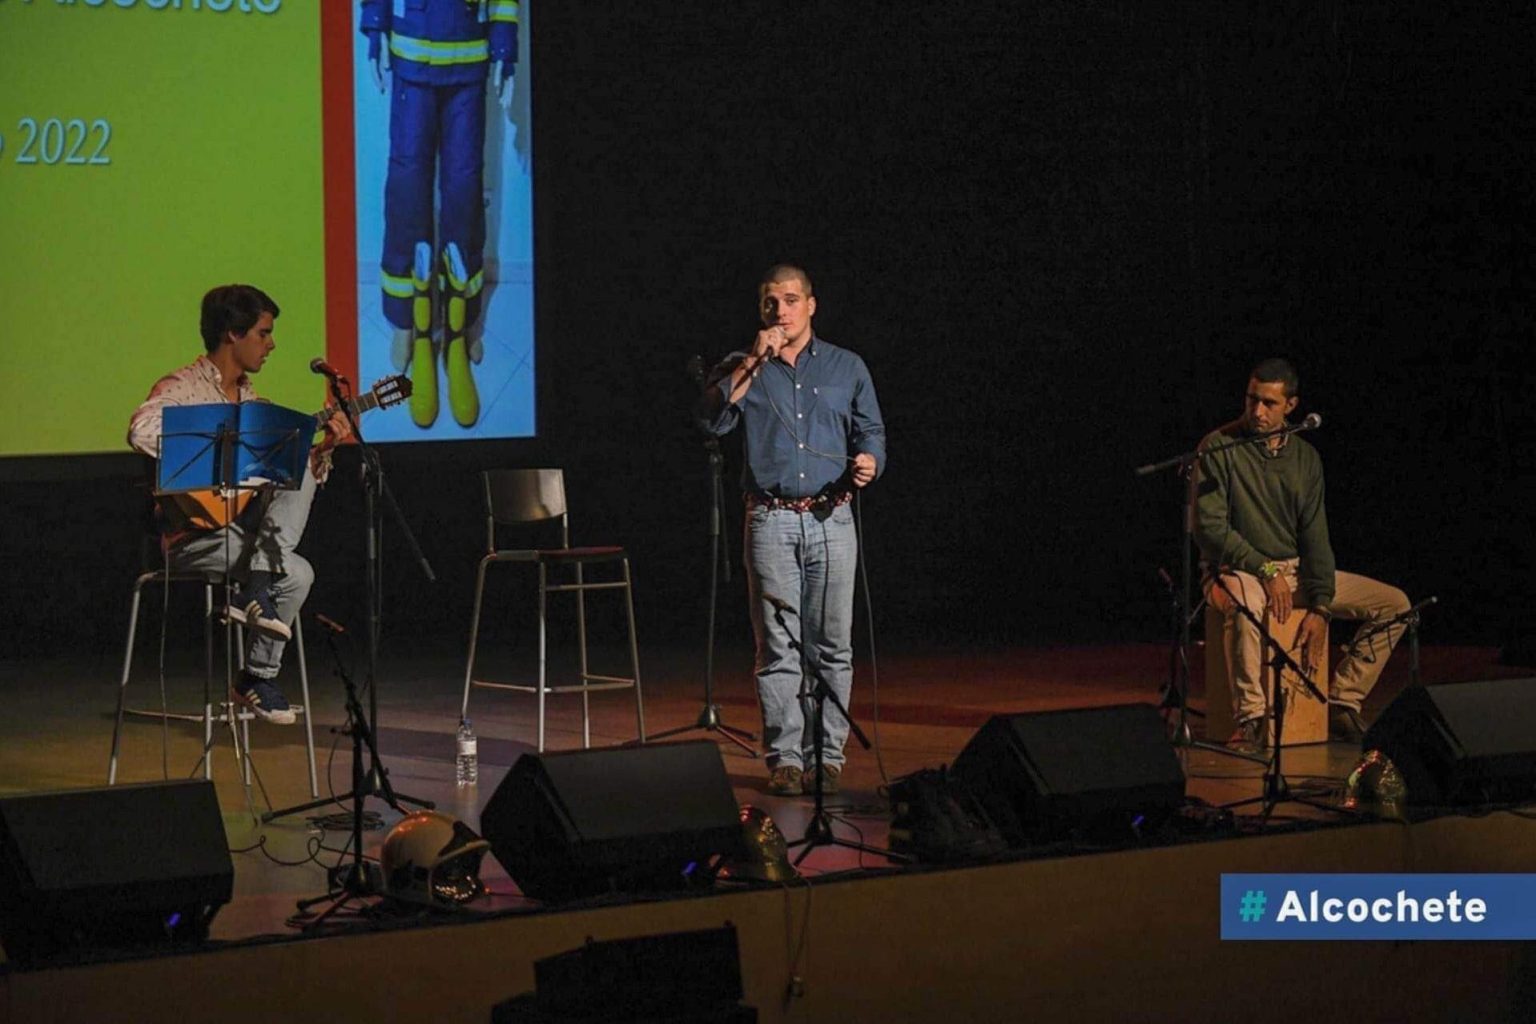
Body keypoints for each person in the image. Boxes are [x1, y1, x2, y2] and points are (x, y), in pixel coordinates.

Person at [699, 264, 886, 795]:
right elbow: (712, 422)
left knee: (832, 645)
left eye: (789, 300)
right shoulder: (744, 367)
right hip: (771, 518)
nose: (779, 310)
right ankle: (784, 758)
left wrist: (871, 458)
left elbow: (870, 428)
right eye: (769, 303)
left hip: (832, 517)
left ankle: (827, 756)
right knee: (779, 645)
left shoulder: (847, 366)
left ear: (810, 305)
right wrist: (754, 361)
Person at [128, 284, 350, 724]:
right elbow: (140, 430)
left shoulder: (256, 405)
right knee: (293, 554)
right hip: (193, 536)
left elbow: (288, 478)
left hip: (241, 538)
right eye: (263, 334)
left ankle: (254, 674)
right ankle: (262, 586)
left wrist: (322, 449)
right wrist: (224, 452)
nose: (271, 344)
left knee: (297, 460)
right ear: (233, 333)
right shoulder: (182, 387)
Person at [1194, 357, 1409, 751]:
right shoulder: (1219, 446)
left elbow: (1315, 535)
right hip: (1239, 569)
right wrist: (1264, 567)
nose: (1257, 411)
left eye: (1269, 403)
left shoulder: (1306, 458)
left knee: (1395, 604)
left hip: (1291, 571)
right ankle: (1252, 718)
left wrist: (1321, 606)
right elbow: (1209, 528)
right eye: (1251, 399)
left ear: (1291, 406)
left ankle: (1343, 700)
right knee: (1244, 603)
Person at [360, 0, 520, 429]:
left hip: (469, 61)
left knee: (464, 191)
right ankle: (405, 320)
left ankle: (460, 324)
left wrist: (505, 44)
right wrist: (374, 30)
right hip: (412, 55)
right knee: (407, 191)